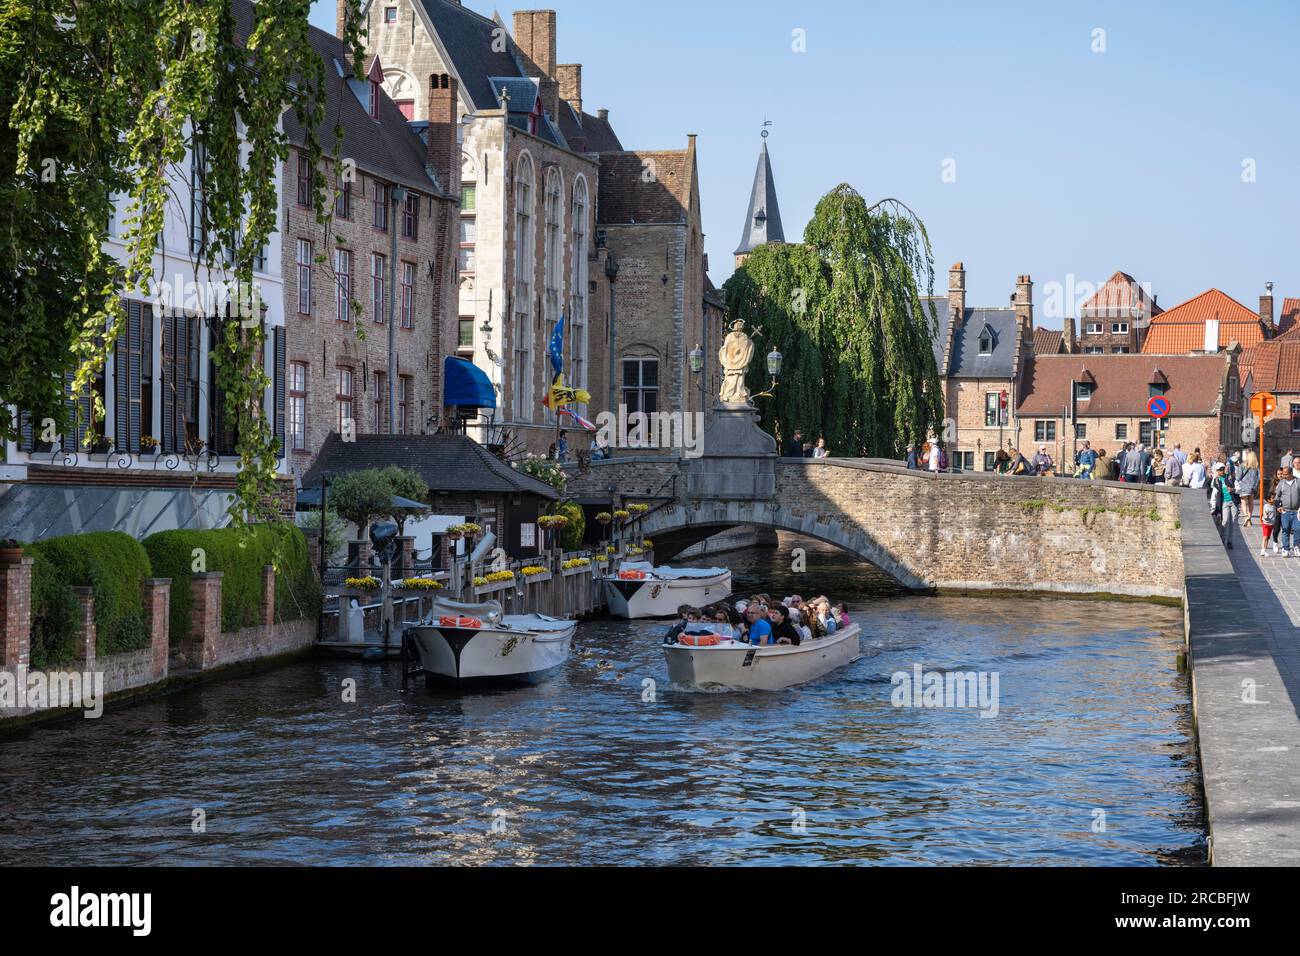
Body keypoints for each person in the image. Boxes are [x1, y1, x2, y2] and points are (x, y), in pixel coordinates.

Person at [1210, 462, 1238, 550]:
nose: (1221, 471)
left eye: (1222, 469)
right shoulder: (1216, 481)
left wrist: (1233, 489)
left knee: (1233, 522)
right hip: (1224, 502)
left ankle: (1230, 541)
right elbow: (1214, 495)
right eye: (1219, 470)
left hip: (1233, 502)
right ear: (1217, 471)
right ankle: (1222, 539)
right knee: (1225, 521)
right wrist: (1213, 507)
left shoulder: (1230, 477)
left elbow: (1239, 488)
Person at [1276, 466, 1300, 557]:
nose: (1283, 476)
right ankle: (1285, 549)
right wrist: (1279, 506)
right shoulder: (1281, 483)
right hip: (1285, 511)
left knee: (1298, 529)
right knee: (1285, 529)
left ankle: (1296, 546)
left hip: (1297, 511)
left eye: (1285, 474)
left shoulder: (1298, 482)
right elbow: (1277, 497)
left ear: (1290, 473)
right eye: (1283, 474)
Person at [1237, 449, 1260, 528]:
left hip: (1244, 486)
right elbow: (1259, 478)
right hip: (1253, 487)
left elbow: (1238, 477)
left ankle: (1246, 516)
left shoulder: (1243, 465)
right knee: (1251, 502)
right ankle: (1249, 519)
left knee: (1243, 501)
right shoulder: (1256, 467)